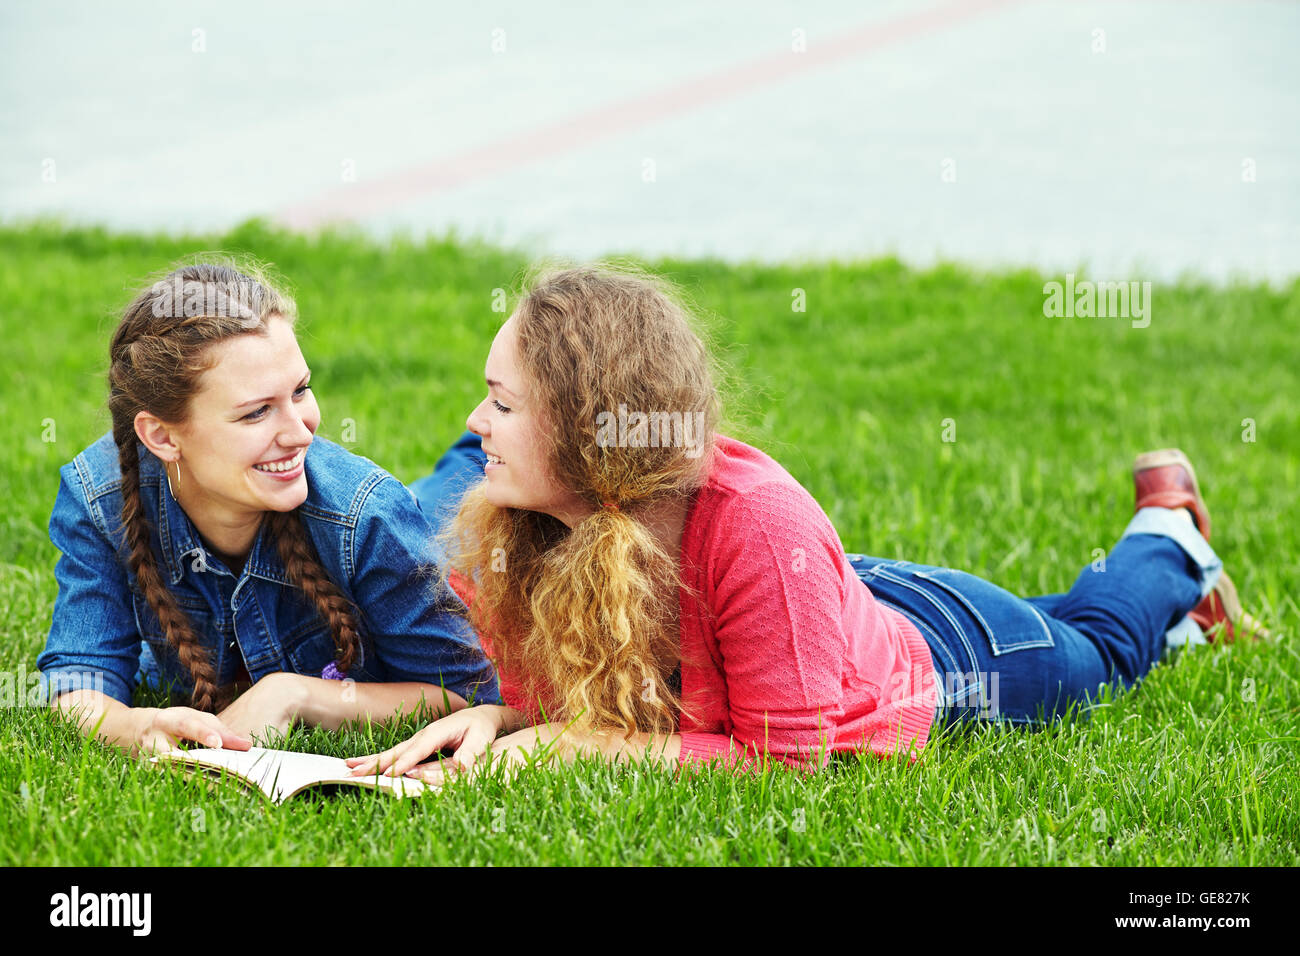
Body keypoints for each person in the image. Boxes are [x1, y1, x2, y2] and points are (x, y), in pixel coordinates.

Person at [347, 265, 1266, 783]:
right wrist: (503, 722)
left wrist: (577, 749)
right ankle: (1189, 605)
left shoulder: (751, 522)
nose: (473, 425)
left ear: (586, 429)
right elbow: (584, 696)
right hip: (830, 609)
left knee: (1098, 647)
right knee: (1077, 620)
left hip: (952, 654)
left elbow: (789, 760)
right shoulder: (528, 523)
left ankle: (1169, 541)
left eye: (502, 405)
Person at [37, 262, 499, 756]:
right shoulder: (102, 496)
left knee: (458, 484)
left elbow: (465, 694)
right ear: (162, 436)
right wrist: (133, 729)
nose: (301, 432)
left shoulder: (368, 515)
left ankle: (478, 440)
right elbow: (79, 679)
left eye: (300, 390)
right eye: (256, 412)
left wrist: (294, 694)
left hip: (408, 520)